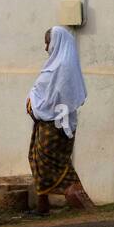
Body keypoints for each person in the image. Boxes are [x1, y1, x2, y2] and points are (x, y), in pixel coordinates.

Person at [26, 26, 94, 215]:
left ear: (56, 43)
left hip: (54, 126)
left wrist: (36, 105)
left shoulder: (61, 68)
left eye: (47, 42)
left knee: (54, 164)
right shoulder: (58, 66)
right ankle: (43, 206)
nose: (45, 47)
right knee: (38, 159)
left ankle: (82, 209)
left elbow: (53, 99)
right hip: (49, 124)